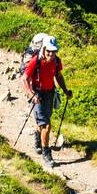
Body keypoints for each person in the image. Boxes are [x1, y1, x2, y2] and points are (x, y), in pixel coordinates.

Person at [22, 34, 71, 166]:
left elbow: (59, 76)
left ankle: (38, 140)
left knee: (43, 123)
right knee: (46, 125)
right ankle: (47, 154)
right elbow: (24, 79)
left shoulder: (56, 61)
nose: (51, 53)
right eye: (49, 50)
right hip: (37, 95)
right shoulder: (35, 61)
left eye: (54, 51)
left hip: (49, 93)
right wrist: (32, 94)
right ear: (43, 49)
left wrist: (66, 91)